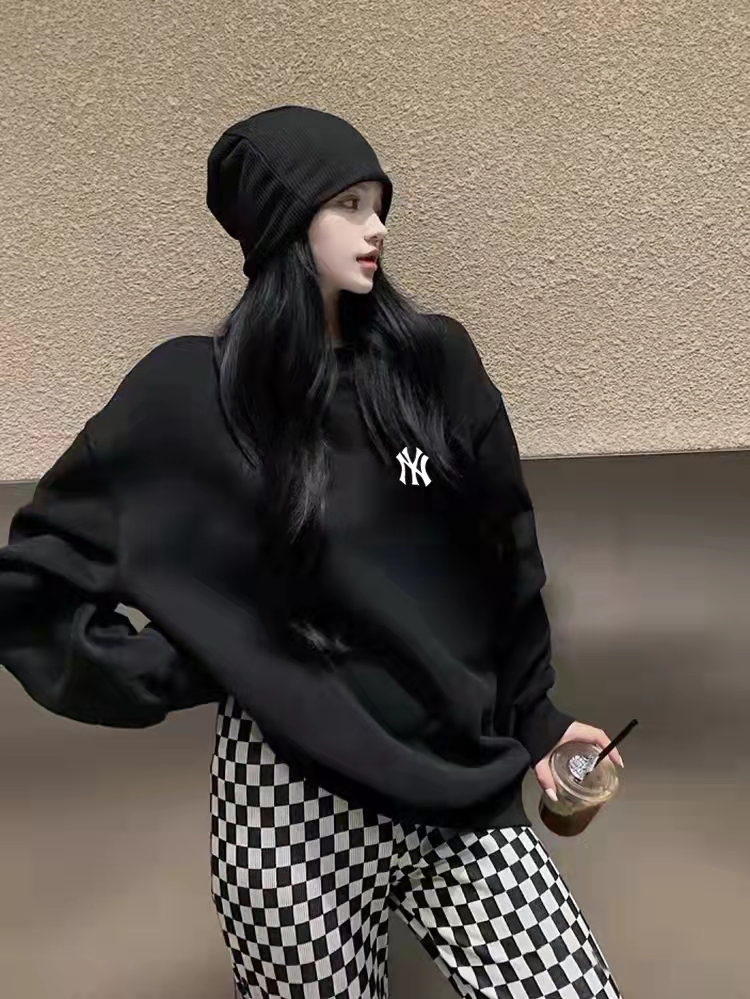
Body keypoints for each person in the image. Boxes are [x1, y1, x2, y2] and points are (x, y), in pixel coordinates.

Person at [0, 105, 624, 999]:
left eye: (380, 204)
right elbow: (31, 588)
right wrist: (203, 657)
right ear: (284, 225)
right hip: (286, 819)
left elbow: (507, 559)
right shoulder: (190, 393)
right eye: (348, 204)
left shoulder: (435, 366)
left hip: (459, 787)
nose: (378, 229)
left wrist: (539, 719)